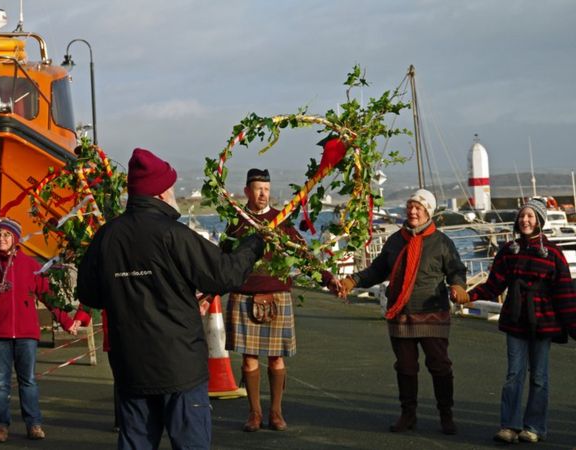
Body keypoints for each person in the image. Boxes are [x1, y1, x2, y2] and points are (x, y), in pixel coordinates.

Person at [78, 148, 265, 450]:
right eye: (172, 187)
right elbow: (225, 274)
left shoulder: (107, 237)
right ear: (161, 193)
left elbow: (88, 293)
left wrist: (125, 289)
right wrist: (253, 246)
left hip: (131, 367)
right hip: (180, 368)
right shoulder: (174, 234)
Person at [332, 189, 470, 435]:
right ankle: (408, 414)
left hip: (432, 314)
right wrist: (351, 281)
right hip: (402, 314)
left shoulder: (441, 242)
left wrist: (458, 286)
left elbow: (456, 269)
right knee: (405, 368)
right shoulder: (396, 240)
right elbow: (377, 270)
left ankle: (446, 414)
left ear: (428, 211)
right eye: (410, 206)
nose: (413, 211)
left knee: (440, 366)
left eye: (419, 207)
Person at [0, 217, 83, 443]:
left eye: (7, 235)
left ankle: (34, 424)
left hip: (27, 334)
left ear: (16, 239)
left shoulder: (31, 266)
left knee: (28, 380)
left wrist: (66, 321)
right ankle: (0, 426)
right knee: (0, 382)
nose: (2, 238)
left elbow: (48, 296)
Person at [468, 198, 576, 444]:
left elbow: (565, 295)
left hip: (543, 323)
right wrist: (468, 296)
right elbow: (493, 285)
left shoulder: (554, 254)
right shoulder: (509, 251)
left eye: (530, 216)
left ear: (539, 221)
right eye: (522, 216)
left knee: (539, 377)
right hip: (515, 321)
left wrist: (573, 326)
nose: (525, 220)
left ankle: (534, 427)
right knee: (513, 375)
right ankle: (509, 425)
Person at [223, 168, 312, 432]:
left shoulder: (281, 221)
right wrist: (207, 293)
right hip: (244, 295)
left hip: (277, 295)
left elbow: (304, 255)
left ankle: (275, 413)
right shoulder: (237, 223)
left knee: (276, 358)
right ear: (247, 191)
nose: (263, 194)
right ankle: (254, 414)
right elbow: (222, 262)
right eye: (258, 189)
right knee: (249, 359)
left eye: (267, 190)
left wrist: (329, 279)